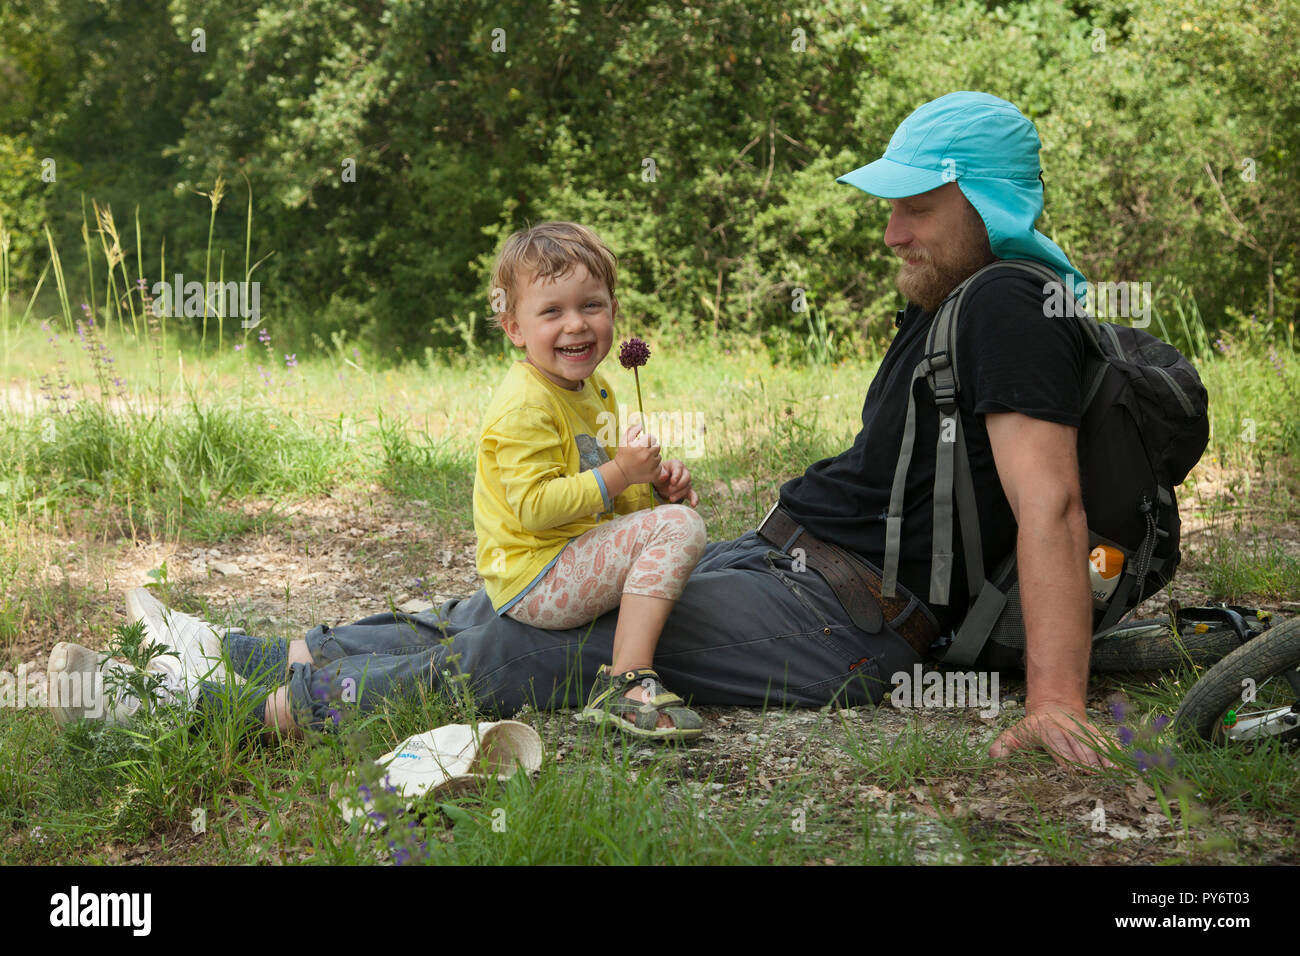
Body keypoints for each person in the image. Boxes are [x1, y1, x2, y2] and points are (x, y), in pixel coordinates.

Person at [50, 91, 1112, 769]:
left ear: (978, 199)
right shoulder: (962, 303)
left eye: (913, 207)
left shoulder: (1013, 305)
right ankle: (227, 652)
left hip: (843, 622)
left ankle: (227, 718)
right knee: (539, 582)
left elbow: (1050, 504)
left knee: (530, 640)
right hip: (793, 569)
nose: (889, 230)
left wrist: (1057, 699)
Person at [474, 221, 707, 739]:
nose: (575, 325)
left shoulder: (594, 387)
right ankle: (624, 684)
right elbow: (534, 508)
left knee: (679, 519)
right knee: (679, 530)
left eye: (591, 306)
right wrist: (621, 471)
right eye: (552, 311)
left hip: (566, 557)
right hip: (535, 577)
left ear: (613, 311)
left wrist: (649, 487)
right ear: (513, 327)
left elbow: (605, 500)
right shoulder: (524, 405)